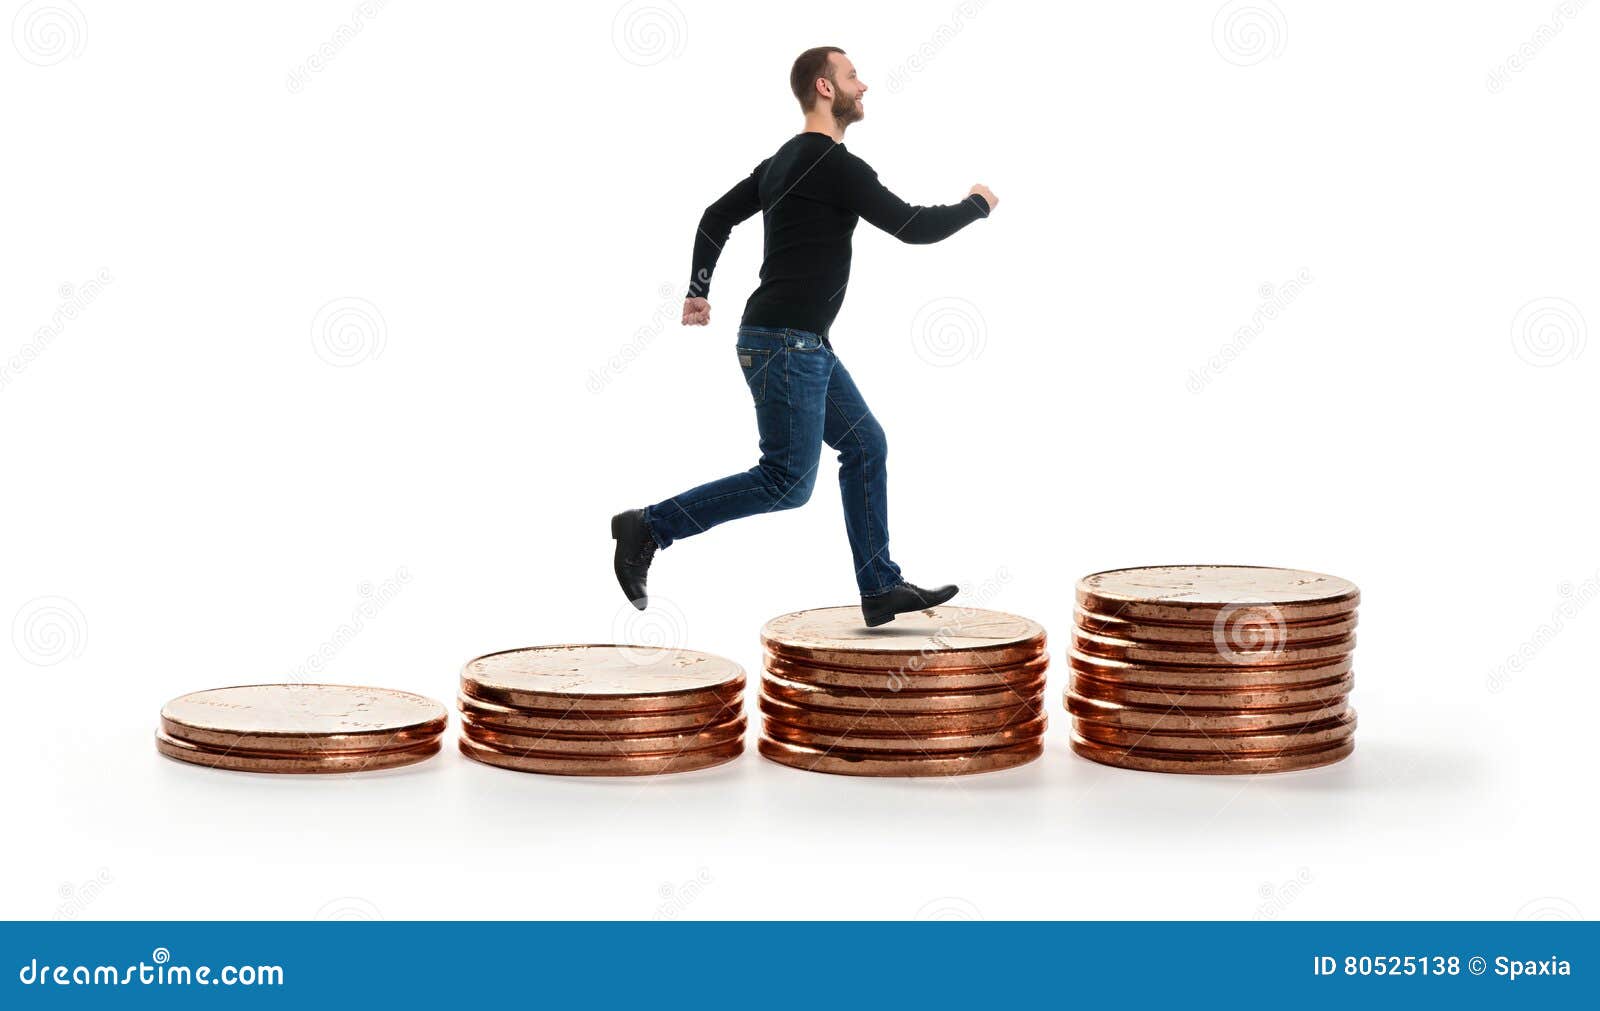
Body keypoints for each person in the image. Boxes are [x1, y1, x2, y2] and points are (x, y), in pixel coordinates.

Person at [612, 46, 998, 627]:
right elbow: (915, 227)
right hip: (785, 343)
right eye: (852, 76)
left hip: (798, 342)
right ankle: (648, 526)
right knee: (786, 481)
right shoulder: (835, 165)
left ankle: (879, 587)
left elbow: (715, 217)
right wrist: (977, 203)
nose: (864, 86)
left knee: (865, 445)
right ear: (824, 87)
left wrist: (699, 289)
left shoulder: (780, 162)